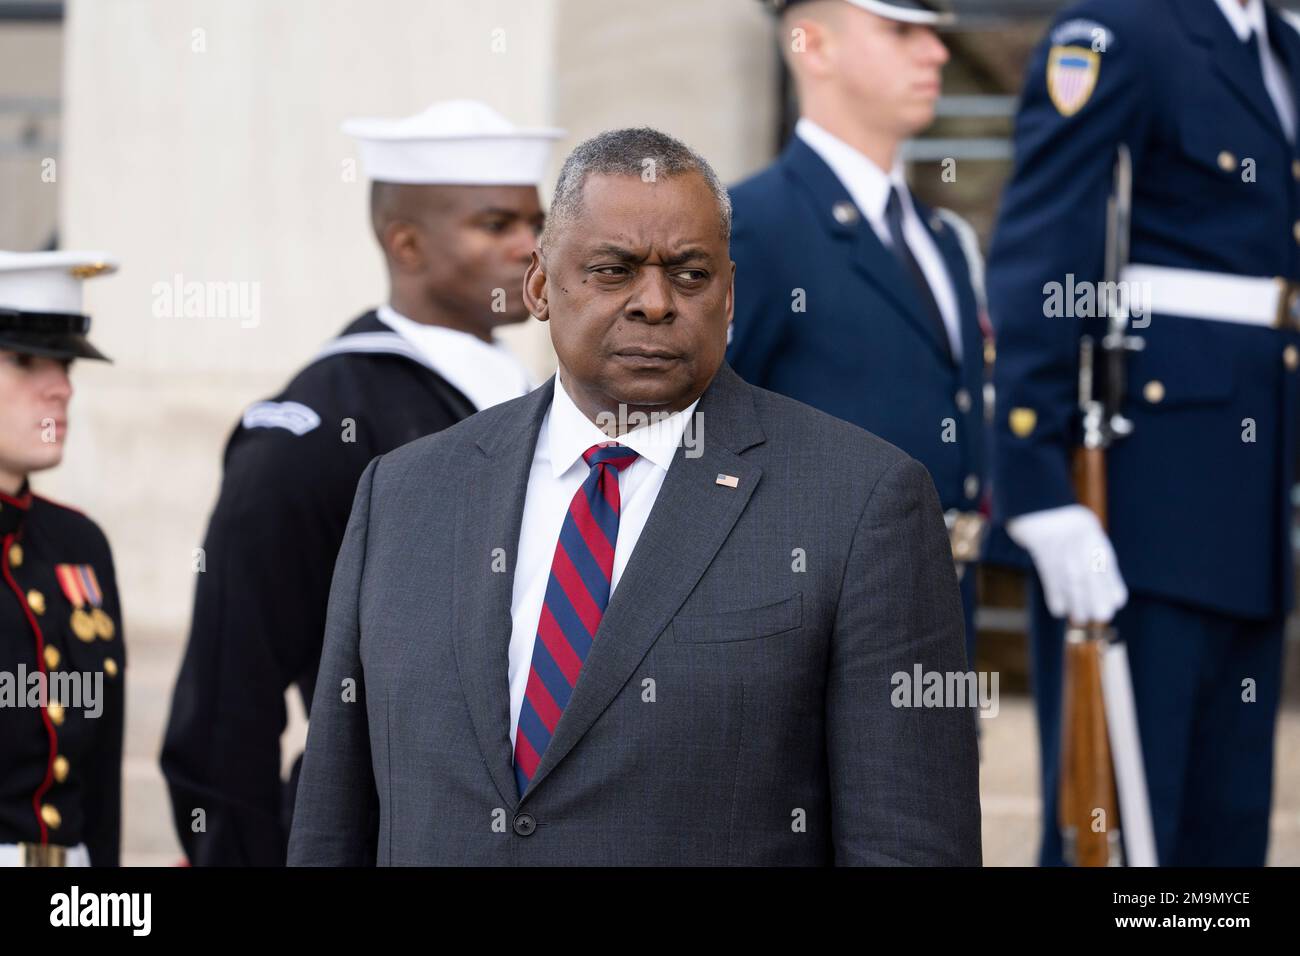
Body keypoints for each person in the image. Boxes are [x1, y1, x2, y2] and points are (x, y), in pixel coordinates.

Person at [287, 127, 981, 866]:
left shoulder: (861, 504)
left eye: (689, 275)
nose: (655, 303)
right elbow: (335, 821)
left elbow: (909, 845)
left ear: (730, 295)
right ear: (539, 286)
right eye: (613, 271)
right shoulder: (404, 494)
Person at [161, 100, 563, 866]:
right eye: (495, 225)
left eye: (536, 223)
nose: (529, 248)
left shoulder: (550, 406)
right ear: (405, 242)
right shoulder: (313, 428)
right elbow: (226, 694)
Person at [989, 0, 1300, 865]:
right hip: (1142, 491)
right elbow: (1043, 252)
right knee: (1120, 830)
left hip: (1250, 493)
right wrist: (1036, 480)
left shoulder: (1278, 45)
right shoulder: (1118, 33)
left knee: (1222, 840)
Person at [730, 0, 987, 663]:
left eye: (933, 33)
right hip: (810, 634)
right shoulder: (751, 226)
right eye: (902, 30)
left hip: (940, 616)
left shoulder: (942, 239)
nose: (935, 53)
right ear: (813, 46)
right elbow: (702, 440)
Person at [0, 250, 124, 867]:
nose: (63, 386)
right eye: (25, 361)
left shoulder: (79, 546)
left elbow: (101, 782)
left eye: (65, 363)